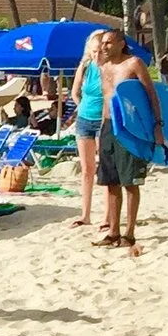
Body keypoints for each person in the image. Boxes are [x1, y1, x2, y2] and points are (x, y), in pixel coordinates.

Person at [95, 32, 166, 255]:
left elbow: (151, 95)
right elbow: (106, 98)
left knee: (130, 181)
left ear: (121, 44)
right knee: (111, 181)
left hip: (130, 127)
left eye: (108, 43)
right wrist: (100, 130)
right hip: (107, 126)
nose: (104, 46)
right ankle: (113, 231)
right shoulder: (104, 67)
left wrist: (157, 126)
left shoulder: (134, 63)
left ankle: (130, 232)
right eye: (102, 43)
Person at [67, 28, 108, 228]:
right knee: (86, 170)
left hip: (104, 121)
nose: (97, 55)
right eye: (93, 51)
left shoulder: (111, 68)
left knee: (106, 168)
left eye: (100, 50)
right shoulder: (85, 66)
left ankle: (108, 216)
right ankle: (85, 215)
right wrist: (81, 106)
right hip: (84, 120)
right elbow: (75, 92)